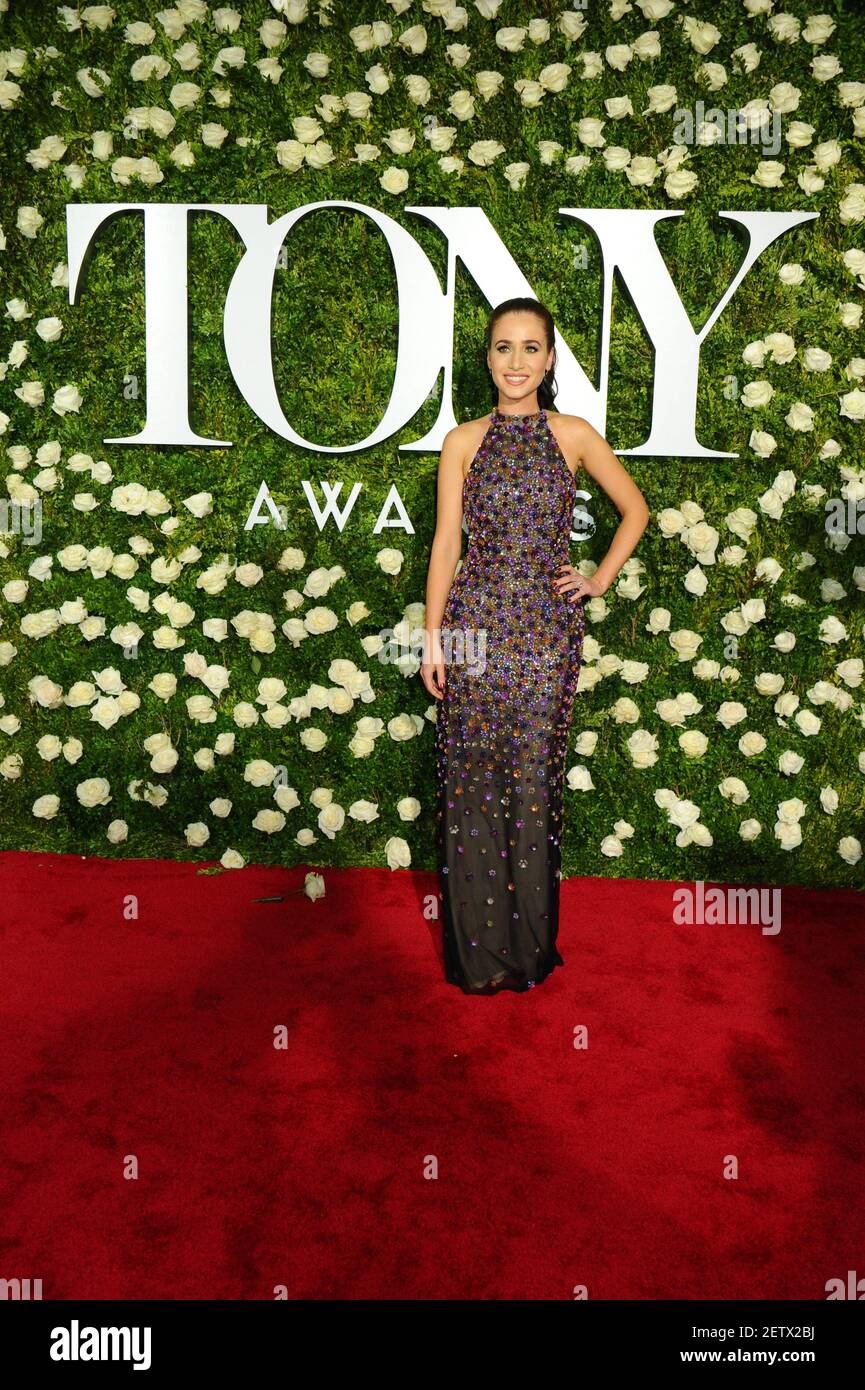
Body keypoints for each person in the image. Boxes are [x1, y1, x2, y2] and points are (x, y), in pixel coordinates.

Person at [421, 296, 650, 995]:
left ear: (548, 360)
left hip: (545, 637)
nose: (515, 361)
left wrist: (597, 579)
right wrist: (433, 640)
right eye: (502, 347)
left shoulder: (573, 434)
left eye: (529, 348)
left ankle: (526, 948)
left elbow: (635, 509)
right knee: (467, 784)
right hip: (474, 627)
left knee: (529, 781)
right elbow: (445, 544)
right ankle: (478, 954)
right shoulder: (461, 440)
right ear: (486, 358)